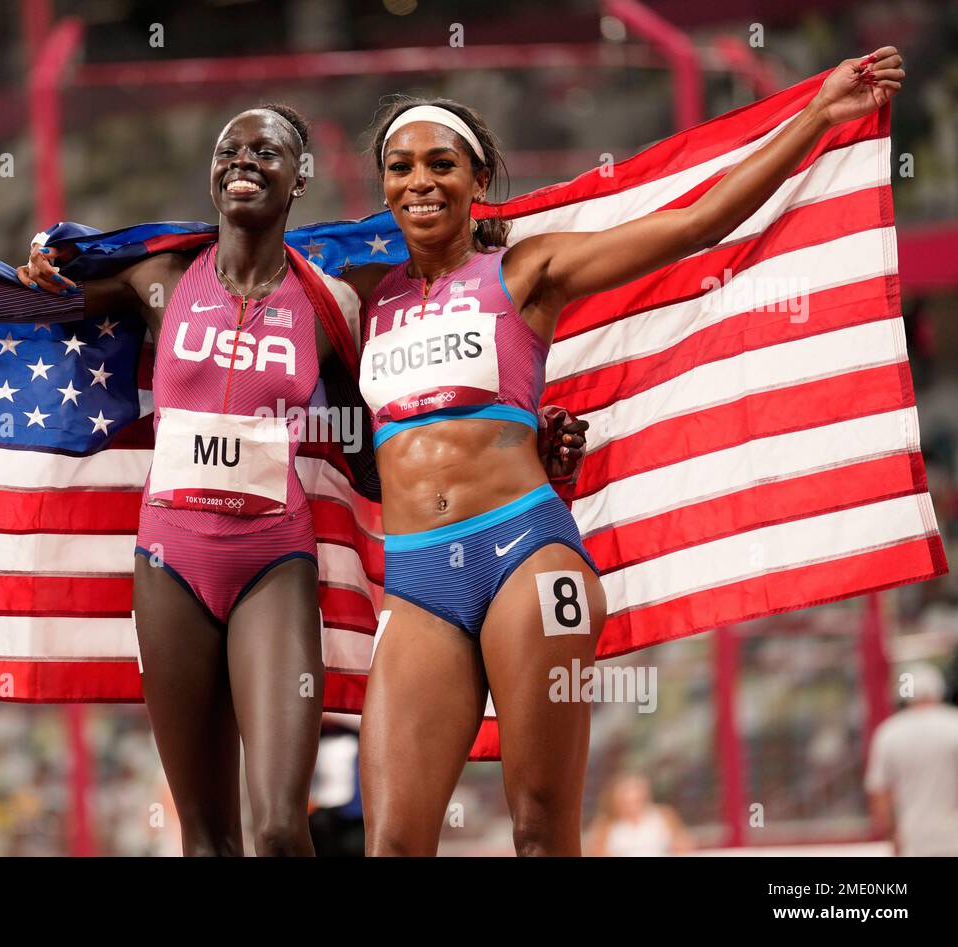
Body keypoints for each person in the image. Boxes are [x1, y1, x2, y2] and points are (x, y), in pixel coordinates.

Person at [0, 105, 584, 857]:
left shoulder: (330, 303)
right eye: (229, 150)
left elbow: (390, 439)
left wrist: (514, 459)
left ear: (299, 180)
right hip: (170, 564)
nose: (244, 161)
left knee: (278, 827)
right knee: (204, 834)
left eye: (266, 150)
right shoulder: (159, 282)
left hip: (274, 564)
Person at [338, 48, 905, 855]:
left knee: (541, 833)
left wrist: (815, 115)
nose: (420, 180)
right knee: (390, 843)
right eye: (401, 167)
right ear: (383, 185)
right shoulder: (364, 294)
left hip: (523, 557)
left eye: (441, 162)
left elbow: (696, 225)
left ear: (475, 180)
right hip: (416, 578)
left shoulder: (528, 270)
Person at [865, 662, 958, 856]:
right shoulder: (954, 726)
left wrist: (892, 836)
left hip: (913, 840)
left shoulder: (889, 733)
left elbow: (879, 794)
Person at [585, 773, 693, 856]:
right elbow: (593, 852)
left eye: (637, 800)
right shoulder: (606, 824)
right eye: (626, 802)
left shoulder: (664, 814)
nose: (632, 805)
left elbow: (684, 845)